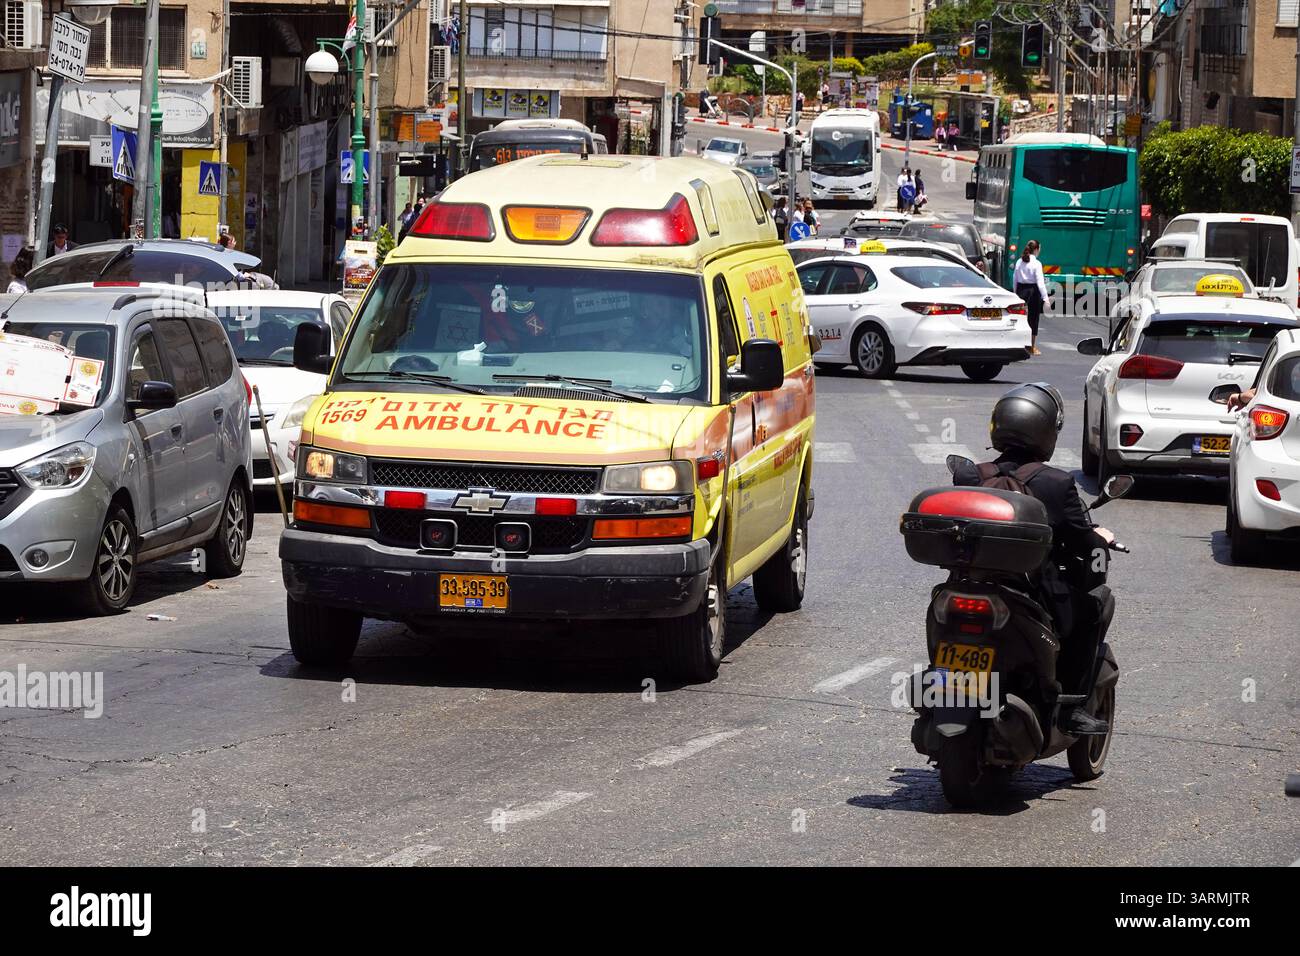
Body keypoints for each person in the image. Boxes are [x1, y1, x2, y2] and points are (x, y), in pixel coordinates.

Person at [952, 383, 1116, 736]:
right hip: (1030, 591)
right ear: (1046, 432)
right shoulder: (1056, 483)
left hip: (966, 584)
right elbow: (1083, 540)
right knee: (1091, 611)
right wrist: (1100, 537)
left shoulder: (969, 474)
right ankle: (1071, 708)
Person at [1013, 238, 1048, 355]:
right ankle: (1031, 347)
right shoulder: (1037, 264)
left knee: (1019, 318)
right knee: (1033, 319)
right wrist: (1045, 298)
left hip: (1021, 290)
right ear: (1036, 250)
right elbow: (1040, 282)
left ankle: (1017, 344)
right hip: (1033, 291)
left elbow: (1015, 279)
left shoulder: (1019, 261)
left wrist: (1015, 293)